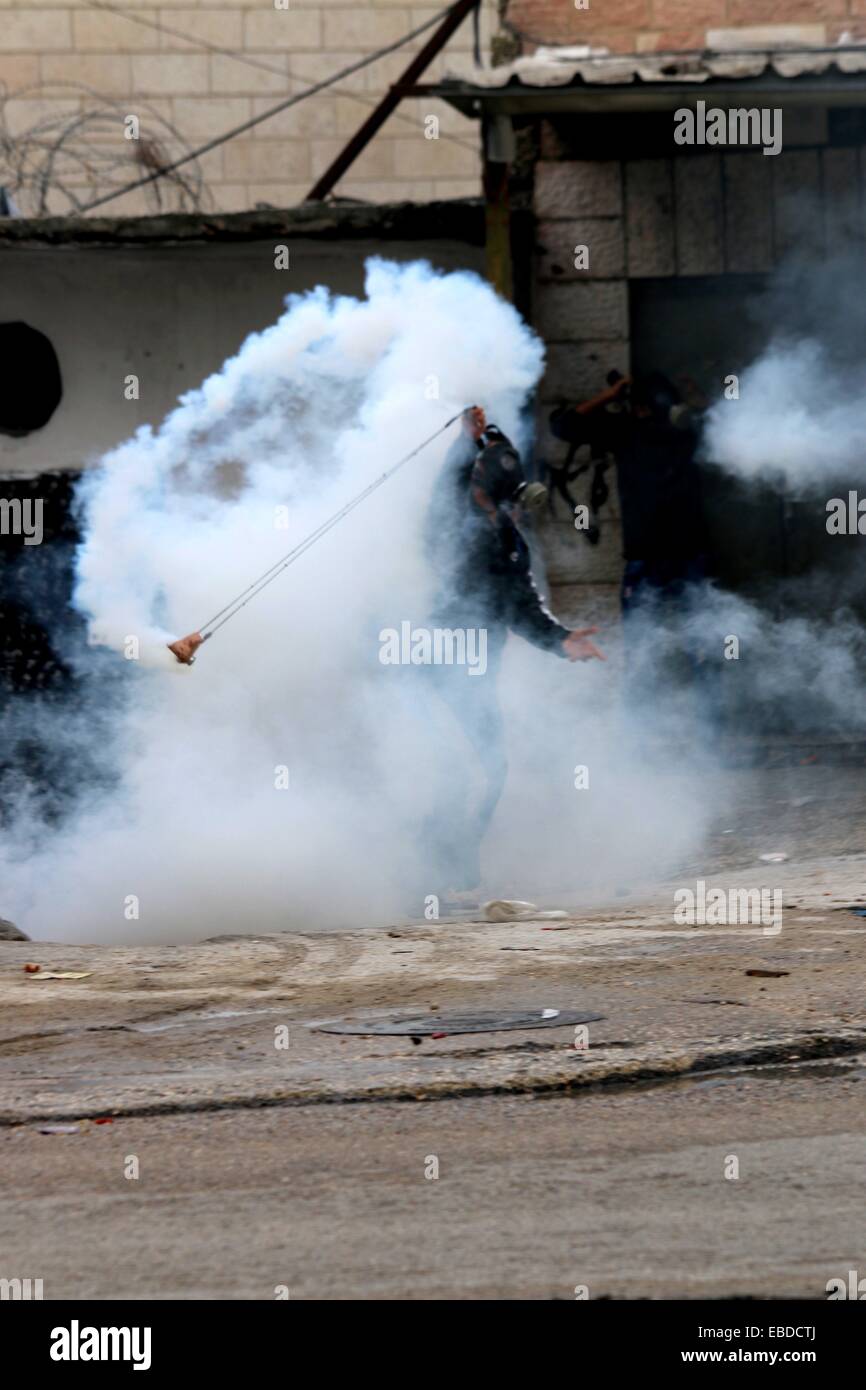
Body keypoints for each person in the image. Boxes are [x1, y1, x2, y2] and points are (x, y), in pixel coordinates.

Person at [420, 406, 603, 904]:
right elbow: (448, 489)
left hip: (471, 676)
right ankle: (418, 873)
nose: (497, 507)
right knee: (448, 768)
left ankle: (446, 870)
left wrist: (561, 641)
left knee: (488, 768)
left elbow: (520, 606)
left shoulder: (506, 543)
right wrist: (466, 440)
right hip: (431, 671)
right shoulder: (449, 524)